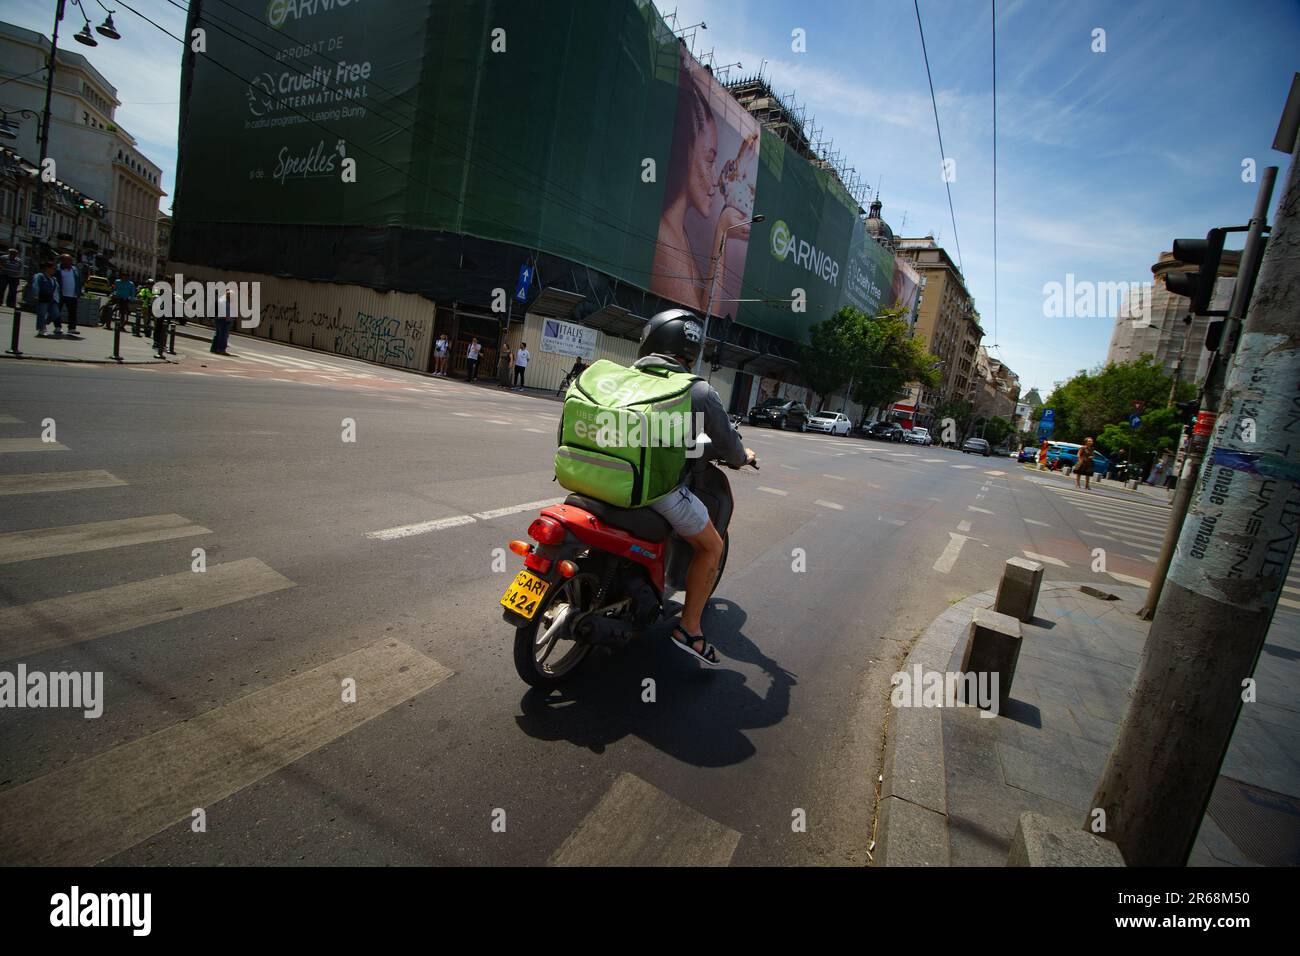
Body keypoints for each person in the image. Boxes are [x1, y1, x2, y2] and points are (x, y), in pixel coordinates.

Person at [630, 309, 755, 664]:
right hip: (654, 489)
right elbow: (729, 447)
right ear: (692, 351)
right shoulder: (697, 392)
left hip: (592, 479)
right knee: (711, 547)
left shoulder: (619, 378)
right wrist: (742, 456)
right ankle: (690, 629)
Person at [54, 254, 84, 337]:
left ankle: (72, 328)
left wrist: (79, 290)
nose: (70, 262)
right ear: (62, 261)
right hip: (60, 294)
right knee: (57, 311)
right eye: (68, 260)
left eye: (70, 260)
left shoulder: (74, 269)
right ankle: (58, 327)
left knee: (72, 312)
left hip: (72, 294)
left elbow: (79, 279)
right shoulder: (57, 269)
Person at [30, 260, 59, 337]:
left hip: (52, 299)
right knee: (42, 314)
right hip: (43, 298)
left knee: (55, 314)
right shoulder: (40, 276)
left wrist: (57, 298)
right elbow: (35, 285)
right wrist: (36, 294)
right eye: (53, 268)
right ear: (47, 268)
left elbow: (56, 290)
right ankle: (41, 329)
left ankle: (44, 323)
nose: (54, 270)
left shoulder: (53, 279)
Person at [210, 288, 235, 354]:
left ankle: (214, 349)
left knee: (218, 334)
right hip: (223, 320)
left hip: (219, 319)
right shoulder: (224, 301)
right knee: (223, 335)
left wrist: (212, 318)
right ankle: (221, 349)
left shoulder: (222, 299)